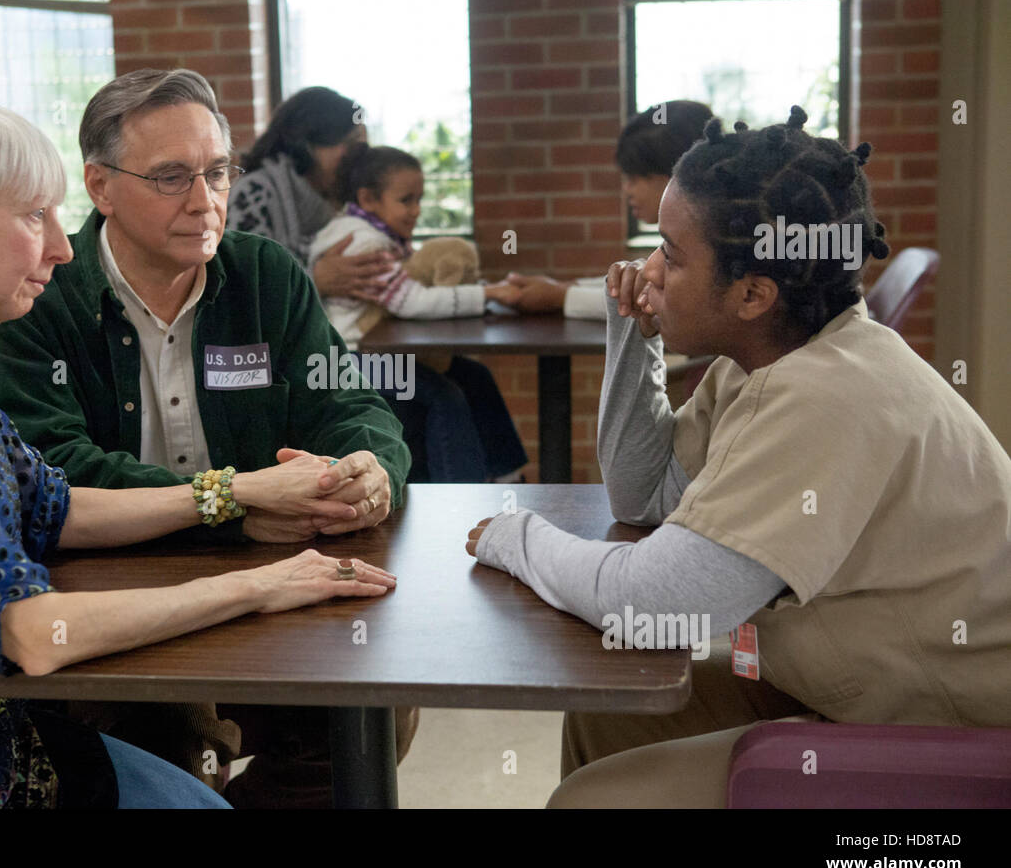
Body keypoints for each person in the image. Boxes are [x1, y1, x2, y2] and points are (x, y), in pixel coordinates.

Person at [0, 97, 398, 808]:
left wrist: (236, 493)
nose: (62, 247)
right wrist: (260, 585)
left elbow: (55, 506)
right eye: (34, 216)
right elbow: (32, 633)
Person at [465, 106, 1011, 808]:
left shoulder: (825, 395)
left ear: (753, 294)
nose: (649, 268)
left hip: (957, 734)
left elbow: (654, 604)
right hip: (855, 677)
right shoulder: (770, 356)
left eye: (671, 253)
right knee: (608, 715)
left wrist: (517, 537)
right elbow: (646, 495)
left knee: (593, 800)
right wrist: (632, 333)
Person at [0, 68, 416, 807]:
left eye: (217, 172)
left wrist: (369, 469)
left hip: (265, 582)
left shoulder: (265, 276)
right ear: (101, 185)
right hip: (114, 601)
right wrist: (237, 508)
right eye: (172, 177)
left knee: (367, 712)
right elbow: (54, 471)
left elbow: (351, 404)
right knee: (164, 742)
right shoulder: (44, 293)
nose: (205, 201)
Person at [308, 142, 527, 483]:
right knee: (443, 394)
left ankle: (508, 477)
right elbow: (412, 302)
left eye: (419, 199)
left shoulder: (367, 233)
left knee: (474, 374)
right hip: (346, 364)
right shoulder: (364, 244)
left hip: (359, 357)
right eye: (406, 200)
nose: (416, 210)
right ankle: (462, 498)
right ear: (368, 200)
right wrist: (487, 293)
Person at [506, 100, 715, 316]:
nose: (627, 190)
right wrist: (564, 287)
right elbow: (637, 285)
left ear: (672, 175)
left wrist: (558, 295)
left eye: (634, 178)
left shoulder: (705, 244)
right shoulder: (686, 235)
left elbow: (649, 298)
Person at [226, 86, 395, 307]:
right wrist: (314, 280)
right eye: (351, 143)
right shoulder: (255, 193)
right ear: (308, 145)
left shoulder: (343, 196)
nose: (360, 155)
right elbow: (238, 285)